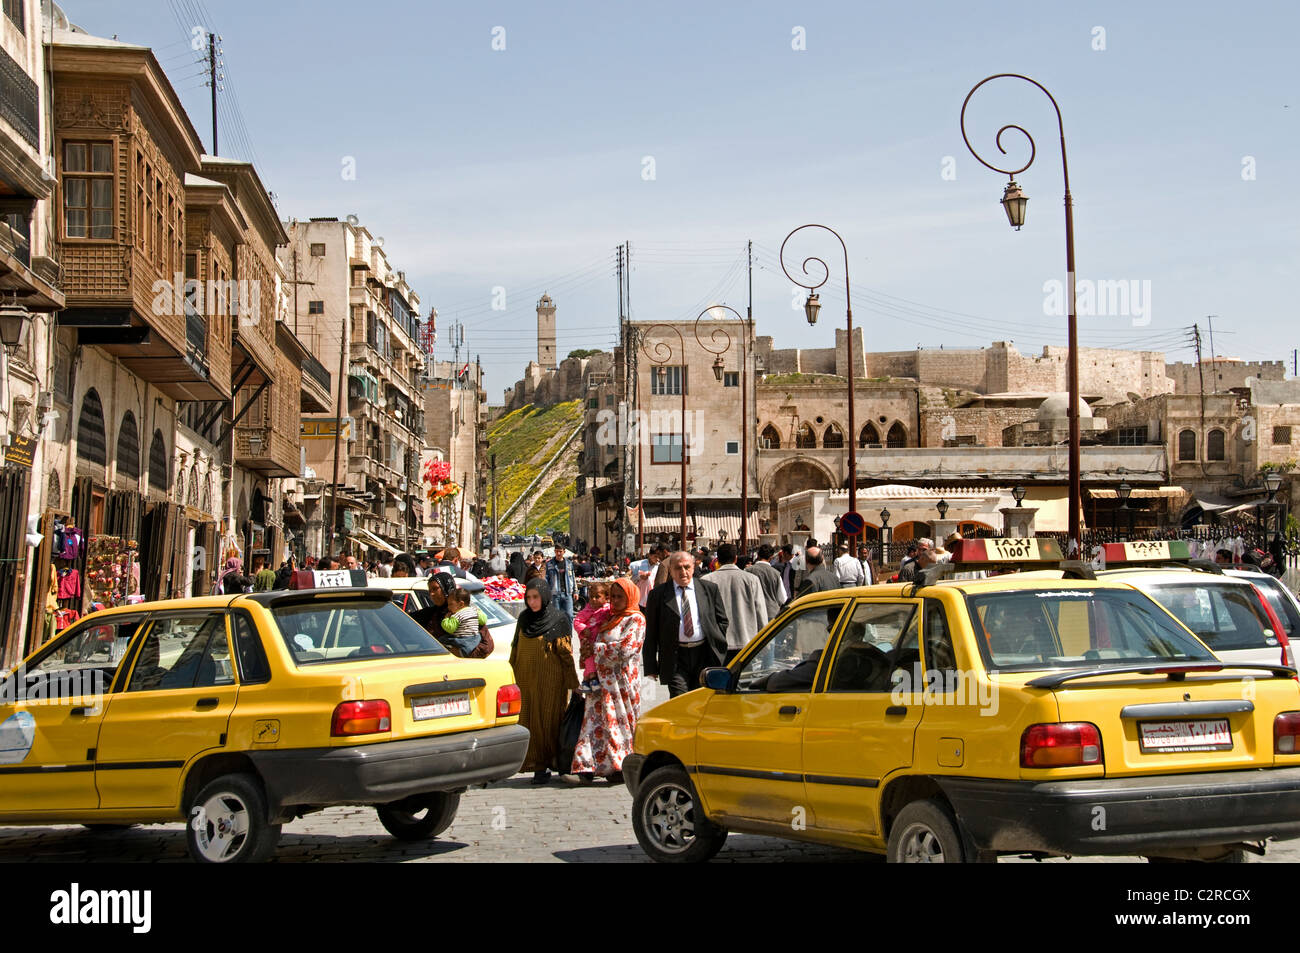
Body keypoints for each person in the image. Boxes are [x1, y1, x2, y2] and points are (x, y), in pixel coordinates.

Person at [572, 577, 645, 784]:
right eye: (612, 596)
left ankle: (620, 766)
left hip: (621, 684)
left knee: (619, 724)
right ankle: (587, 765)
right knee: (595, 723)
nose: (614, 600)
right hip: (600, 682)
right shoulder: (608, 617)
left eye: (619, 597)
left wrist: (596, 649)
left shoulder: (636, 619)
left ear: (629, 596)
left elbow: (625, 649)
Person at [510, 579, 579, 783]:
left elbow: (566, 655)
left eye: (536, 597)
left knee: (549, 721)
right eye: (529, 597)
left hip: (550, 681)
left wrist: (573, 683)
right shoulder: (524, 619)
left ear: (545, 597)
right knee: (529, 720)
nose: (532, 602)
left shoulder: (559, 620)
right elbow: (516, 648)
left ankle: (555, 762)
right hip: (525, 680)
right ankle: (538, 766)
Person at [644, 550, 729, 698]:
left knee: (701, 698)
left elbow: (722, 620)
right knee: (680, 699)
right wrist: (651, 665)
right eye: (678, 568)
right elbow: (651, 631)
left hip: (703, 655)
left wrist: (716, 641)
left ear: (693, 567)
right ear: (670, 570)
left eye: (686, 567)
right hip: (675, 657)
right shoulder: (658, 595)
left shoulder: (709, 589)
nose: (683, 572)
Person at [707, 544, 770, 664]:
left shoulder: (707, 580)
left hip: (717, 643)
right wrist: (764, 643)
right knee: (743, 680)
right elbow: (760, 611)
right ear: (736, 558)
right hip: (746, 641)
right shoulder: (751, 579)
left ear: (718, 560)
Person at [573, 580, 612, 690]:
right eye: (591, 597)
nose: (593, 600)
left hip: (600, 641)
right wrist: (584, 628)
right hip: (588, 639)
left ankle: (588, 680)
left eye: (597, 597)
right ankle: (591, 678)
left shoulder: (607, 609)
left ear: (606, 597)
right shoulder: (586, 610)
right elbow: (577, 621)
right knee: (589, 658)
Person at [438, 587, 483, 657]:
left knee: (441, 640)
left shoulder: (457, 615)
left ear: (461, 604)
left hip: (462, 639)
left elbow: (450, 628)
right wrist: (479, 612)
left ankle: (461, 652)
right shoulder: (474, 610)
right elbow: (483, 620)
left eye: (450, 604)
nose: (448, 607)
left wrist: (446, 619)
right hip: (475, 638)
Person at [748, 543, 788, 616]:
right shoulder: (776, 574)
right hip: (771, 614)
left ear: (758, 555)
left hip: (753, 613)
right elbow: (782, 598)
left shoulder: (748, 571)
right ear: (771, 557)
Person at [546, 545, 577, 620]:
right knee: (556, 617)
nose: (558, 553)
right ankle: (558, 631)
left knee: (569, 616)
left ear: (564, 552)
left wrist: (576, 591)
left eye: (560, 551)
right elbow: (546, 579)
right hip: (555, 595)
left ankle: (568, 632)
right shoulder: (549, 564)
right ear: (554, 552)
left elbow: (573, 578)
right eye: (557, 551)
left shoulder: (569, 563)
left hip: (567, 593)